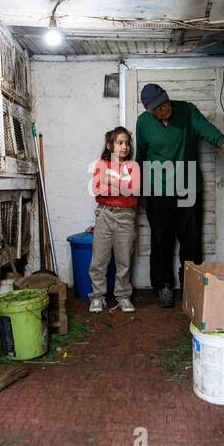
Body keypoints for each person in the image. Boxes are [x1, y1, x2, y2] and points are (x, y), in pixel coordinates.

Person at [134, 83, 224, 308]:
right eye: (157, 108)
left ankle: (191, 283)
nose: (164, 109)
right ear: (149, 111)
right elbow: (141, 156)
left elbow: (206, 129)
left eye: (165, 103)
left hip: (188, 186)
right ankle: (163, 286)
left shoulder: (187, 110)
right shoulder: (143, 122)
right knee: (161, 240)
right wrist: (140, 188)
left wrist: (223, 143)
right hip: (157, 189)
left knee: (191, 239)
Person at [87, 126, 140, 313]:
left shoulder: (133, 166)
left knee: (124, 260)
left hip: (126, 217)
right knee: (99, 260)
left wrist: (110, 182)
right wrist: (122, 185)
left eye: (127, 143)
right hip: (104, 214)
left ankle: (123, 296)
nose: (124, 147)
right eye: (119, 143)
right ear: (110, 145)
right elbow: (97, 190)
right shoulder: (102, 165)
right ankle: (97, 297)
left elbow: (134, 190)